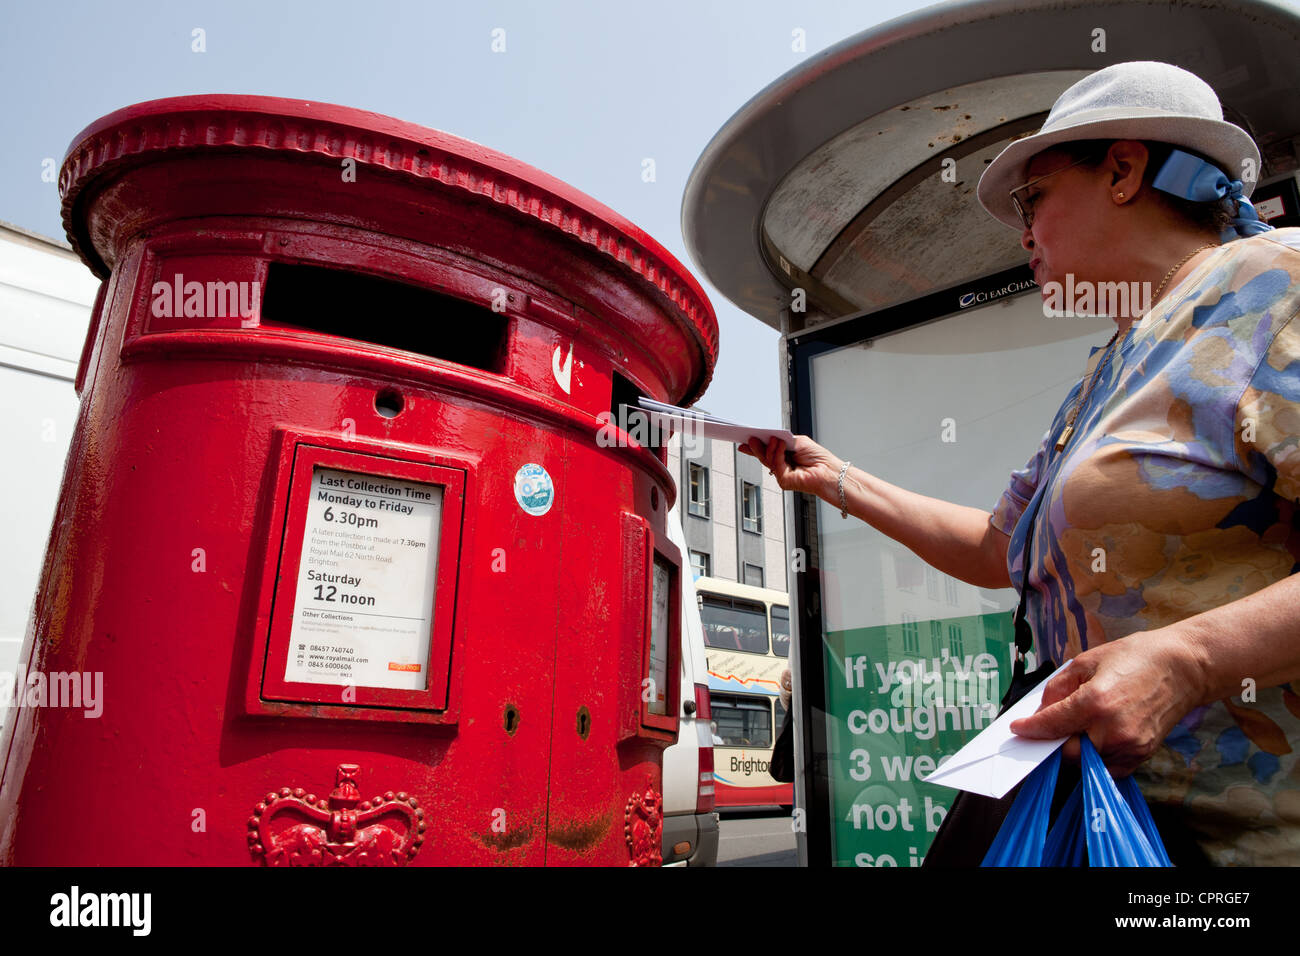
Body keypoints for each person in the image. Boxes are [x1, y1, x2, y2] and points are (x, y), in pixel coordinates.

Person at [743, 61, 1300, 866]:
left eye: (1032, 199)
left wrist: (1188, 662)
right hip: (1085, 819)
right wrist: (836, 479)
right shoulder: (1107, 368)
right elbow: (995, 549)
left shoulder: (1273, 284)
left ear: (1122, 170)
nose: (1022, 231)